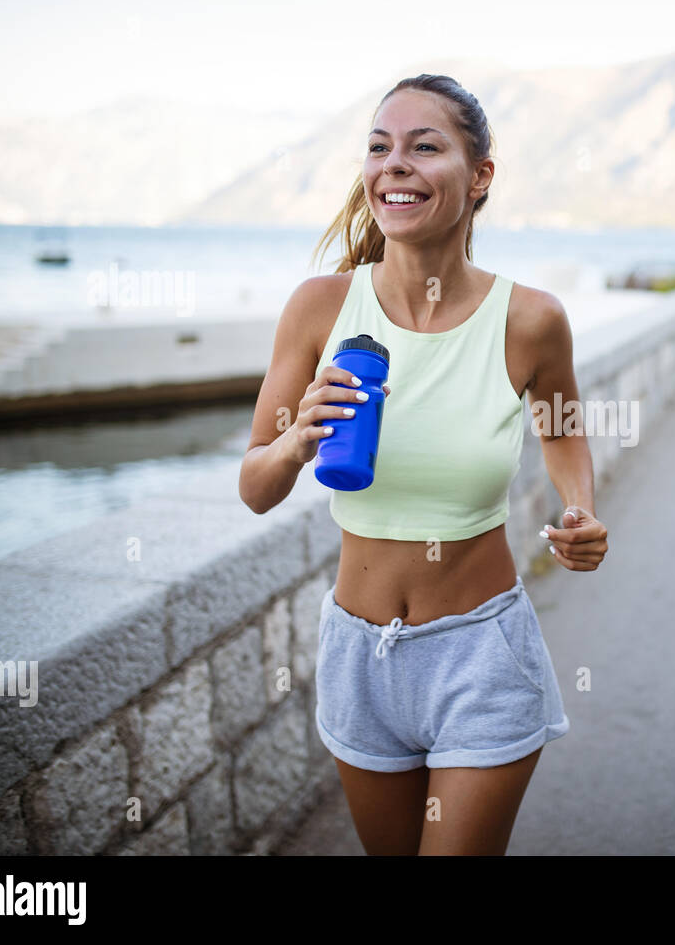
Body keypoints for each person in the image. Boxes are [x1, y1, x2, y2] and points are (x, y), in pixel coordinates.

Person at [239, 73, 608, 855]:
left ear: (480, 178)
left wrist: (580, 506)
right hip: (358, 657)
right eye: (379, 147)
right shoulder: (318, 308)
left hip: (482, 654)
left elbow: (563, 426)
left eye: (423, 146)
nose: (393, 164)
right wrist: (297, 438)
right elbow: (254, 487)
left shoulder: (532, 321)